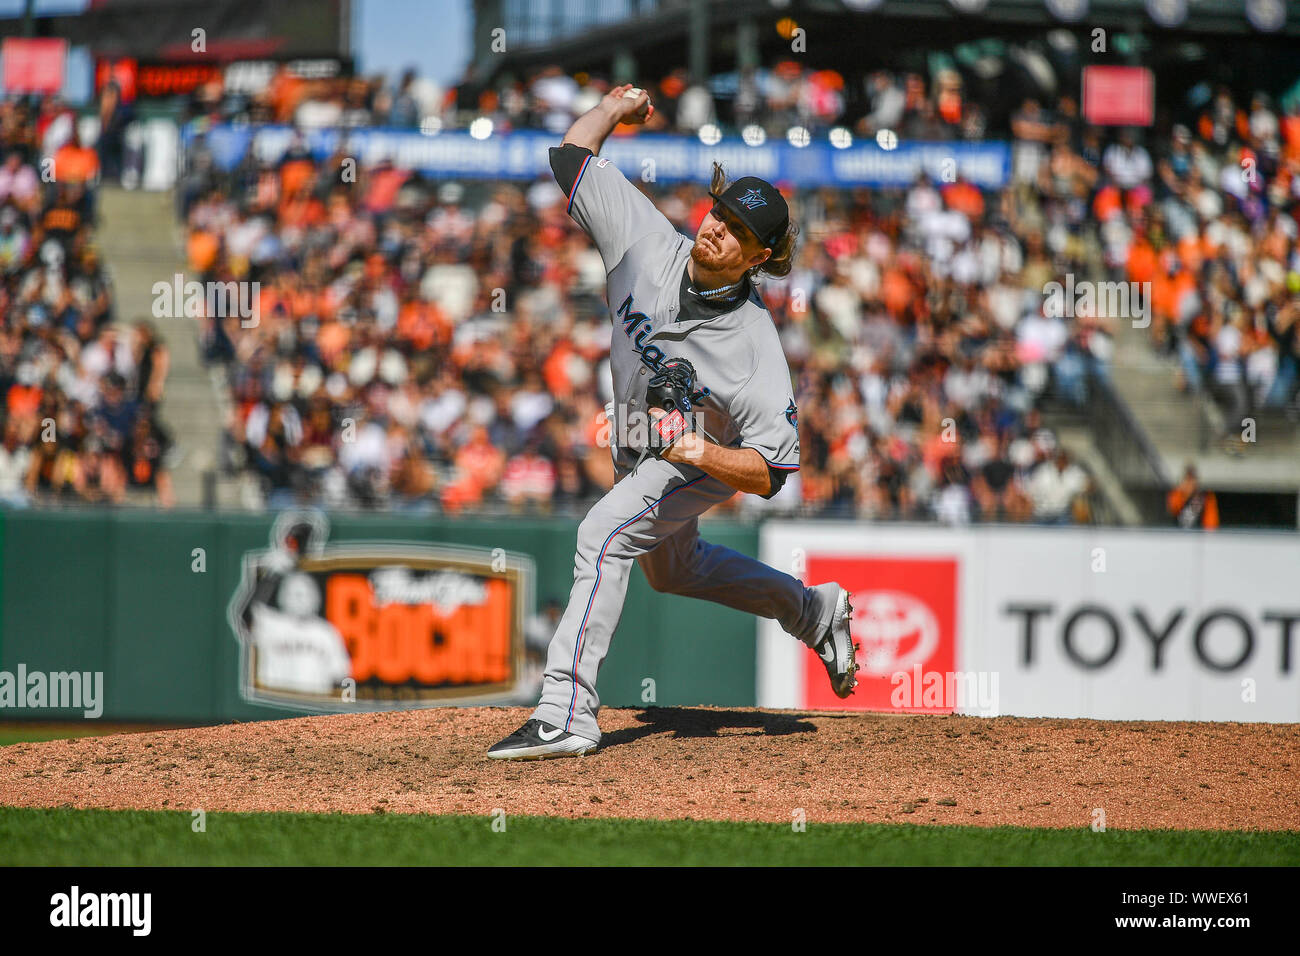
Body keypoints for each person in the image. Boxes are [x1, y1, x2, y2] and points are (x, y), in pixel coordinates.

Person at [488, 84, 858, 760]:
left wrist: (703, 453)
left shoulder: (753, 345)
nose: (717, 229)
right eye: (720, 214)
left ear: (758, 258)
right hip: (639, 449)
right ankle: (813, 610)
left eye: (739, 233)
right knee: (672, 570)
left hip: (699, 459)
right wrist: (610, 108)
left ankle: (567, 710)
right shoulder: (644, 239)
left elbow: (774, 470)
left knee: (602, 534)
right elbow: (571, 156)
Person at [1167, 464, 1219, 530]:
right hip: (1178, 535)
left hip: (1198, 536)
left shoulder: (1205, 497)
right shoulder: (1177, 494)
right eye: (1187, 479)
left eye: (1192, 479)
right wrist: (1183, 495)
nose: (1190, 483)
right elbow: (1172, 510)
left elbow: (1211, 523)